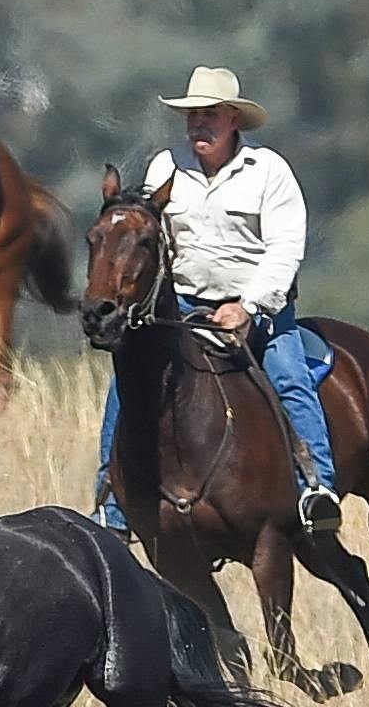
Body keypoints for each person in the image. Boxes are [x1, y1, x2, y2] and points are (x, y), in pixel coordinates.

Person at [97, 66, 342, 533]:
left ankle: (317, 487)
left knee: (289, 376)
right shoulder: (165, 167)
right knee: (123, 386)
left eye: (208, 115)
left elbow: (286, 249)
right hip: (184, 308)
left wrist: (247, 308)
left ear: (233, 119)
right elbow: (151, 236)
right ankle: (111, 502)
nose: (197, 125)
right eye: (192, 116)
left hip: (257, 309)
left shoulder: (269, 172)